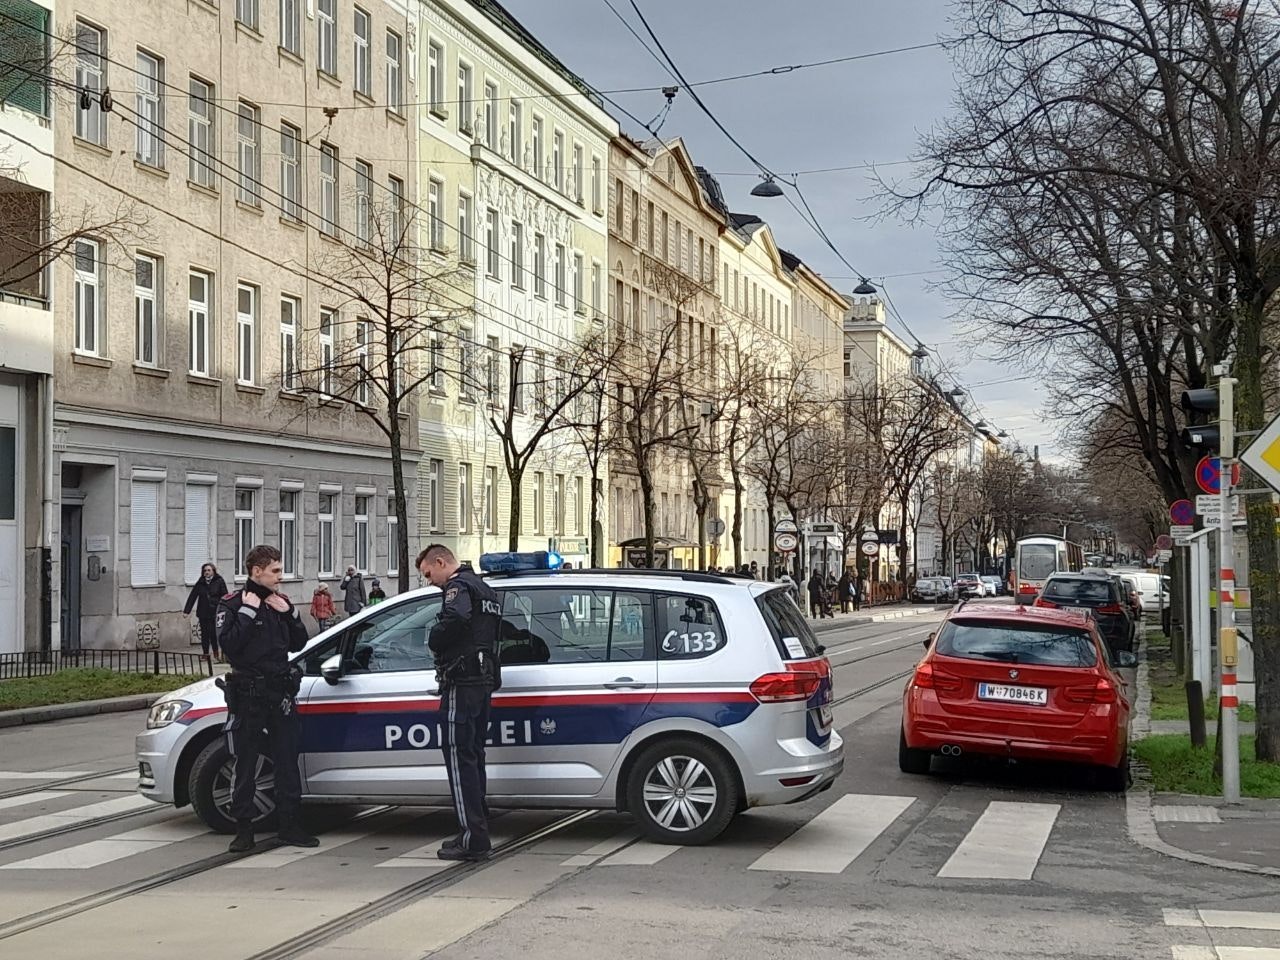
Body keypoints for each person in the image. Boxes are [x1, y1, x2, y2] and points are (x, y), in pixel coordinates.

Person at [216, 544, 318, 853]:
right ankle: (243, 829)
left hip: (280, 691)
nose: (280, 577)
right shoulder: (232, 603)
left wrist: (291, 614)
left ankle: (290, 826)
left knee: (287, 760)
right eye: (275, 571)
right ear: (256, 571)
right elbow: (230, 645)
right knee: (245, 763)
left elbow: (300, 642)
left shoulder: (280, 602)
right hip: (249, 693)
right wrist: (248, 612)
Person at [417, 544, 501, 862]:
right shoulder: (484, 588)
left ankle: (473, 838)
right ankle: (478, 826)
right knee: (473, 756)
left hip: (461, 682)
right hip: (482, 681)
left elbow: (455, 618)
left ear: (441, 562)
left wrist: (434, 639)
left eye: (428, 574)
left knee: (458, 758)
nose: (430, 581)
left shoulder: (458, 587)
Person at [183, 563, 227, 662]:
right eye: (205, 571)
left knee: (213, 634)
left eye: (209, 570)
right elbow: (193, 596)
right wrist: (187, 611)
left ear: (213, 571)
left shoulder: (219, 581)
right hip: (203, 612)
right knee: (204, 634)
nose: (206, 572)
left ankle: (216, 653)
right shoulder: (200, 582)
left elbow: (225, 596)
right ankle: (205, 654)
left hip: (215, 612)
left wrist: (225, 610)